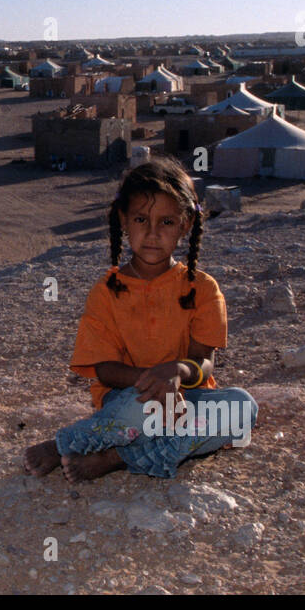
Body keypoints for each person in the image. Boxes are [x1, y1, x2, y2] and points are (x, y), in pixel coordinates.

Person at [24, 157, 257, 482]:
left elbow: (204, 363)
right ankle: (65, 444)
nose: (152, 233)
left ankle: (120, 456)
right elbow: (104, 368)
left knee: (242, 408)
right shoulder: (106, 292)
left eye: (166, 222)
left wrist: (177, 371)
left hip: (186, 398)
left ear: (186, 224)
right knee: (142, 411)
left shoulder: (203, 288)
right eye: (140, 219)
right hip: (130, 397)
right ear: (123, 220)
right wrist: (153, 381)